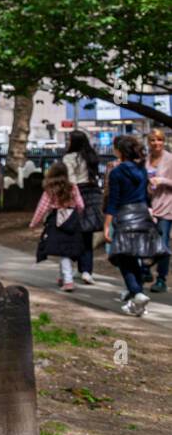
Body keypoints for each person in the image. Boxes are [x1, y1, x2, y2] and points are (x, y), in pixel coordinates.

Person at [104, 134, 168, 316]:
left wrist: (107, 225)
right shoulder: (142, 171)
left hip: (124, 217)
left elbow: (113, 201)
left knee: (124, 257)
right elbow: (146, 195)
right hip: (142, 215)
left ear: (120, 151)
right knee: (135, 257)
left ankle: (137, 292)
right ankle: (137, 299)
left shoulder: (117, 172)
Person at [31, 163, 86, 291]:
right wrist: (75, 214)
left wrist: (34, 223)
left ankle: (68, 280)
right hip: (72, 221)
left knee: (63, 251)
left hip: (57, 221)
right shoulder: (73, 187)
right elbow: (81, 205)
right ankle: (63, 277)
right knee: (65, 250)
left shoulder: (50, 189)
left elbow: (42, 208)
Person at [62, 131, 104, 285]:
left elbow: (71, 179)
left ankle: (78, 268)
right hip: (93, 194)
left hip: (77, 193)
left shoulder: (69, 158)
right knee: (88, 234)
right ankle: (86, 270)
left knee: (76, 232)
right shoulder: (91, 156)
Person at [148, 127, 172, 293]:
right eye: (153, 140)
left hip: (166, 206)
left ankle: (161, 279)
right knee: (147, 242)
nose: (156, 143)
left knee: (162, 245)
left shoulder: (170, 159)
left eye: (159, 140)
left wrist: (162, 180)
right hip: (149, 206)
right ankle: (144, 271)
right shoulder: (146, 160)